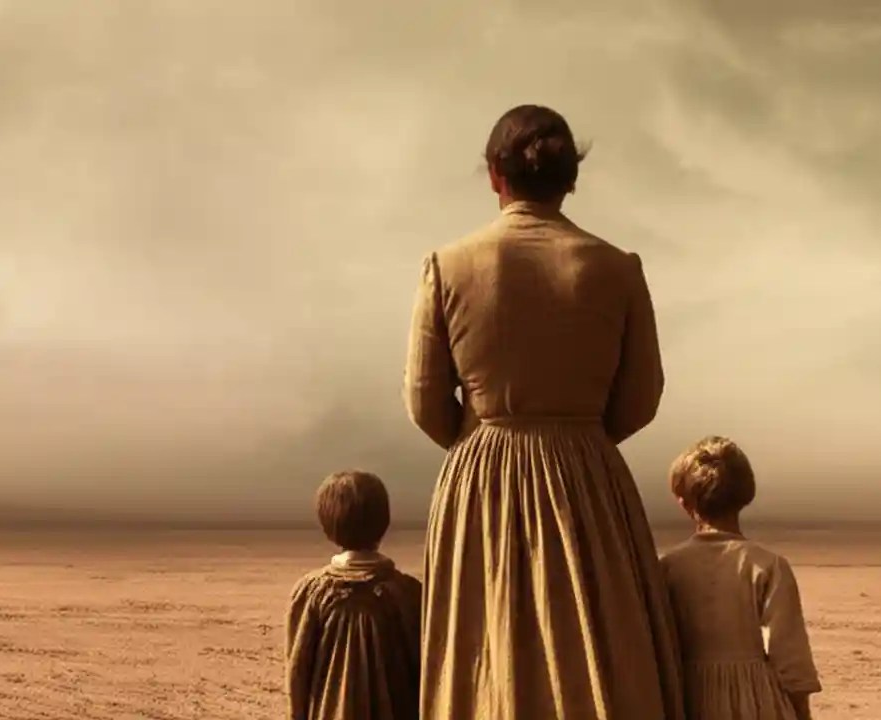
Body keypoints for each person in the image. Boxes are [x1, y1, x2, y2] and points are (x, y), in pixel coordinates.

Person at [404, 104, 685, 719]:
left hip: (483, 475)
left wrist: (482, 436)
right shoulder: (616, 267)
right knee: (598, 646)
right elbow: (642, 396)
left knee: (486, 647)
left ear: (494, 176)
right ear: (569, 179)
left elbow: (425, 401)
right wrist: (579, 435)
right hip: (587, 473)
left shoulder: (447, 266)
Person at [659, 436, 822, 720]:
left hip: (687, 699)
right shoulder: (767, 565)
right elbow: (789, 654)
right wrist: (801, 713)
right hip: (757, 701)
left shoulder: (667, 567)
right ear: (746, 494)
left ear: (683, 503)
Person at [285, 470, 422, 720]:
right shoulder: (409, 592)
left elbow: (298, 672)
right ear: (384, 521)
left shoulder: (311, 592)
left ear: (327, 525)